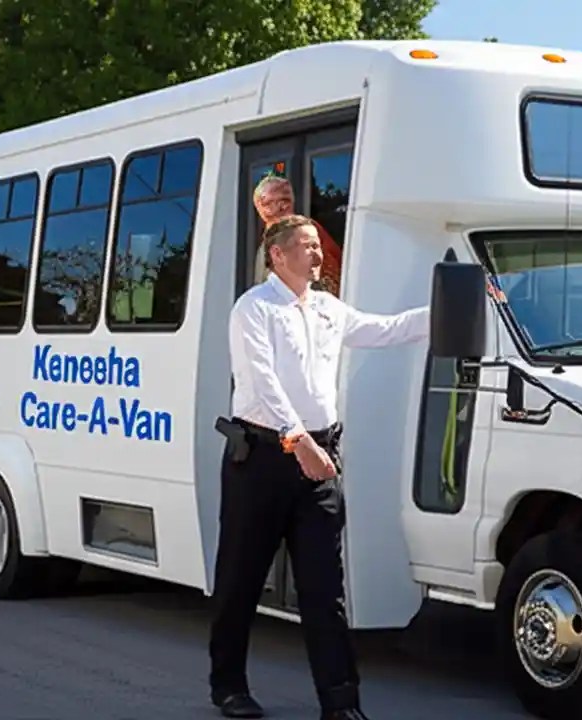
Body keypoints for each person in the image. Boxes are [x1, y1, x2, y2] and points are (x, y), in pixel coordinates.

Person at [209, 214, 430, 720]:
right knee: (240, 581)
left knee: (325, 588)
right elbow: (262, 382)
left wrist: (447, 309)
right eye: (307, 247)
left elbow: (386, 329)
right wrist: (297, 440)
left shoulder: (329, 309)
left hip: (319, 463)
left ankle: (340, 703)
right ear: (278, 255)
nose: (318, 255)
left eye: (317, 246)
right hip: (263, 461)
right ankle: (228, 687)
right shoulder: (254, 309)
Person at [252, 173, 344, 296]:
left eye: (286, 200)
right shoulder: (265, 245)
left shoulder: (309, 231)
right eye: (271, 202)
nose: (283, 206)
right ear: (261, 207)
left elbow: (333, 270)